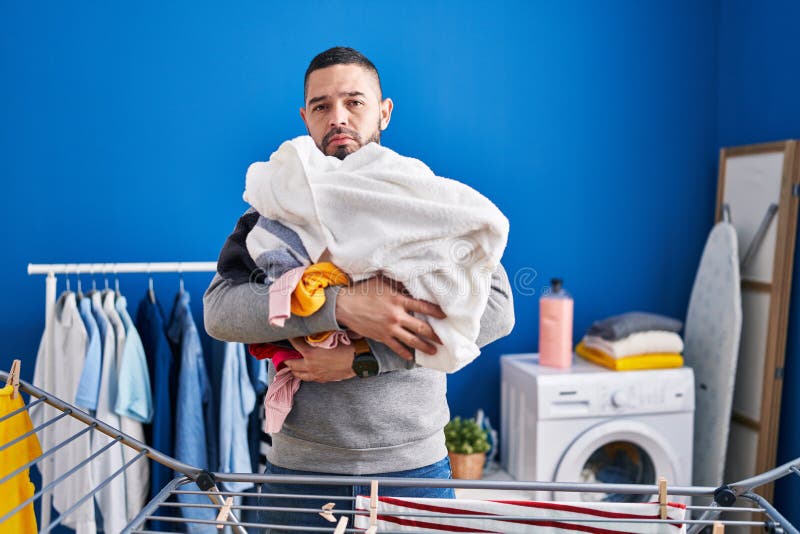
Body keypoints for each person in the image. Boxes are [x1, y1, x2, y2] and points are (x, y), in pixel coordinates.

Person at [203, 46, 515, 532]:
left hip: (413, 470)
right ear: (305, 117)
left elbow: (496, 309)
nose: (338, 117)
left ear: (384, 112)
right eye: (322, 106)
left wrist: (362, 358)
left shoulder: (425, 198)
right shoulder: (275, 208)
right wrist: (341, 307)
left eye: (354, 102)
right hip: (300, 474)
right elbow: (220, 311)